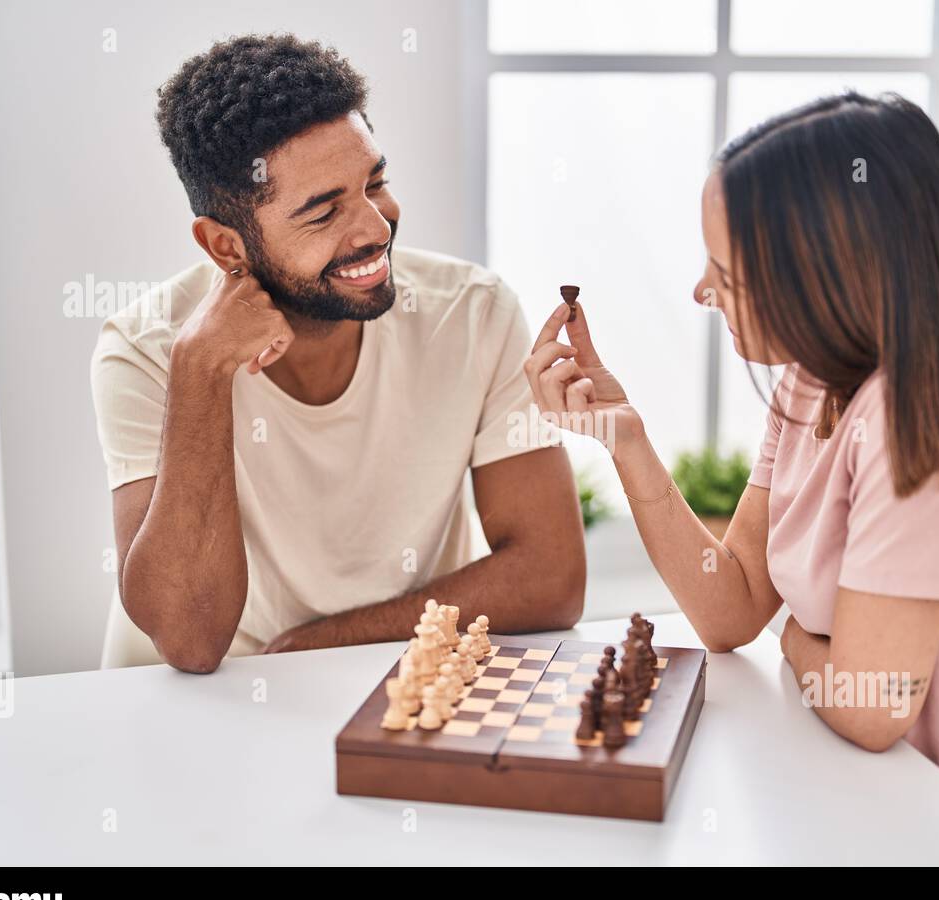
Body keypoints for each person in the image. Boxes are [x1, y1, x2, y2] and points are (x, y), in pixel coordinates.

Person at [525, 92, 939, 866]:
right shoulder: (813, 381)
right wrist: (625, 442)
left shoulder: (928, 409)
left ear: (828, 272)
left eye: (727, 270)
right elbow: (730, 609)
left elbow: (871, 709)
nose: (701, 292)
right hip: (885, 819)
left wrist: (801, 637)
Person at [91, 35, 584, 673]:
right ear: (225, 247)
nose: (377, 229)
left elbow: (552, 578)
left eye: (374, 183)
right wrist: (202, 374)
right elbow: (190, 640)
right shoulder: (146, 352)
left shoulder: (474, 312)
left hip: (397, 677)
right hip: (214, 699)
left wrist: (320, 644)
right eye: (323, 213)